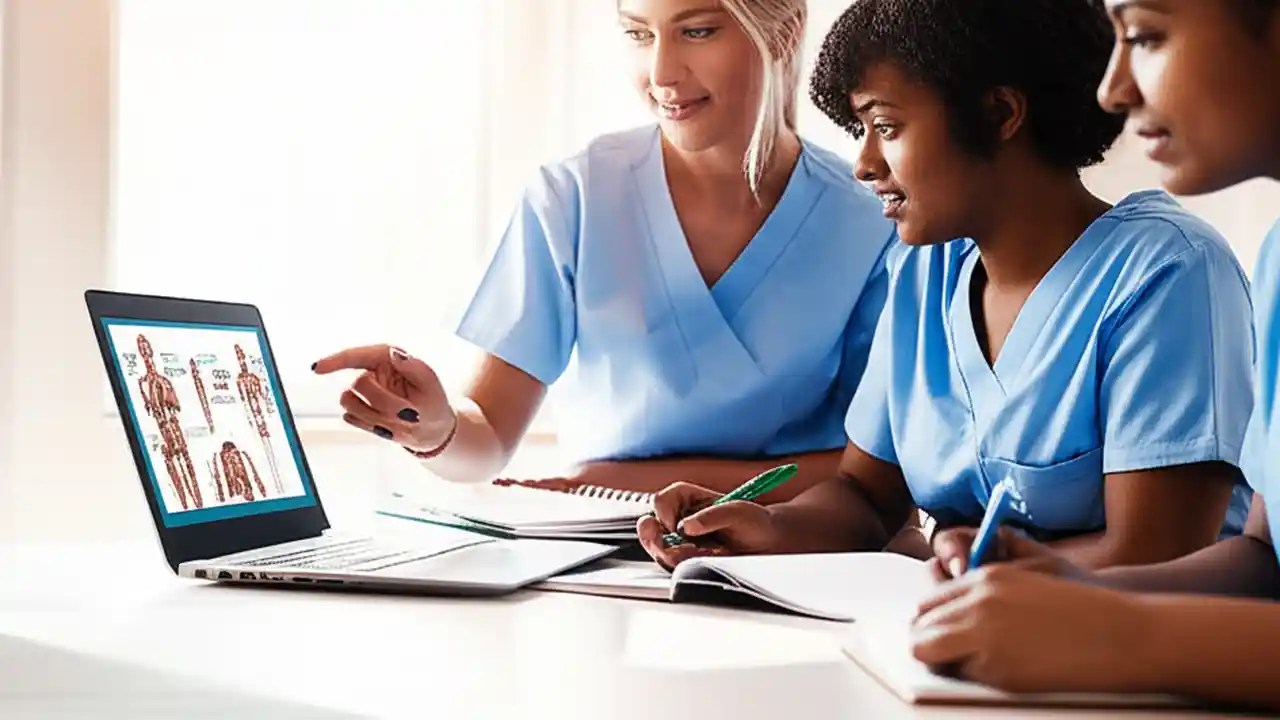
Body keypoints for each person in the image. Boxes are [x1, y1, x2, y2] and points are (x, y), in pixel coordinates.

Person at [639, 0, 1254, 570]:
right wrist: (768, 526)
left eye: (887, 126)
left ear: (1000, 114)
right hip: (966, 627)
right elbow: (865, 495)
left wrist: (974, 579)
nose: (865, 165)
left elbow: (1154, 553)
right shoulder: (923, 274)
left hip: (1121, 644)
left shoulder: (1166, 273)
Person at [312, 0, 896, 502]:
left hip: (797, 559)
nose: (661, 73)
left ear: (785, 33)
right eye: (639, 35)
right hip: (606, 562)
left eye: (697, 31)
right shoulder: (574, 197)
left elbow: (874, 473)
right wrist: (434, 429)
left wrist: (605, 480)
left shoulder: (872, 221)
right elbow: (485, 437)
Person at [913, 0, 1280, 709]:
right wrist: (1067, 588)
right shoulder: (1278, 260)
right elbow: (1264, 561)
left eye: (1145, 35)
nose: (1113, 90)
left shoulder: (1171, 262)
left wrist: (1128, 635)